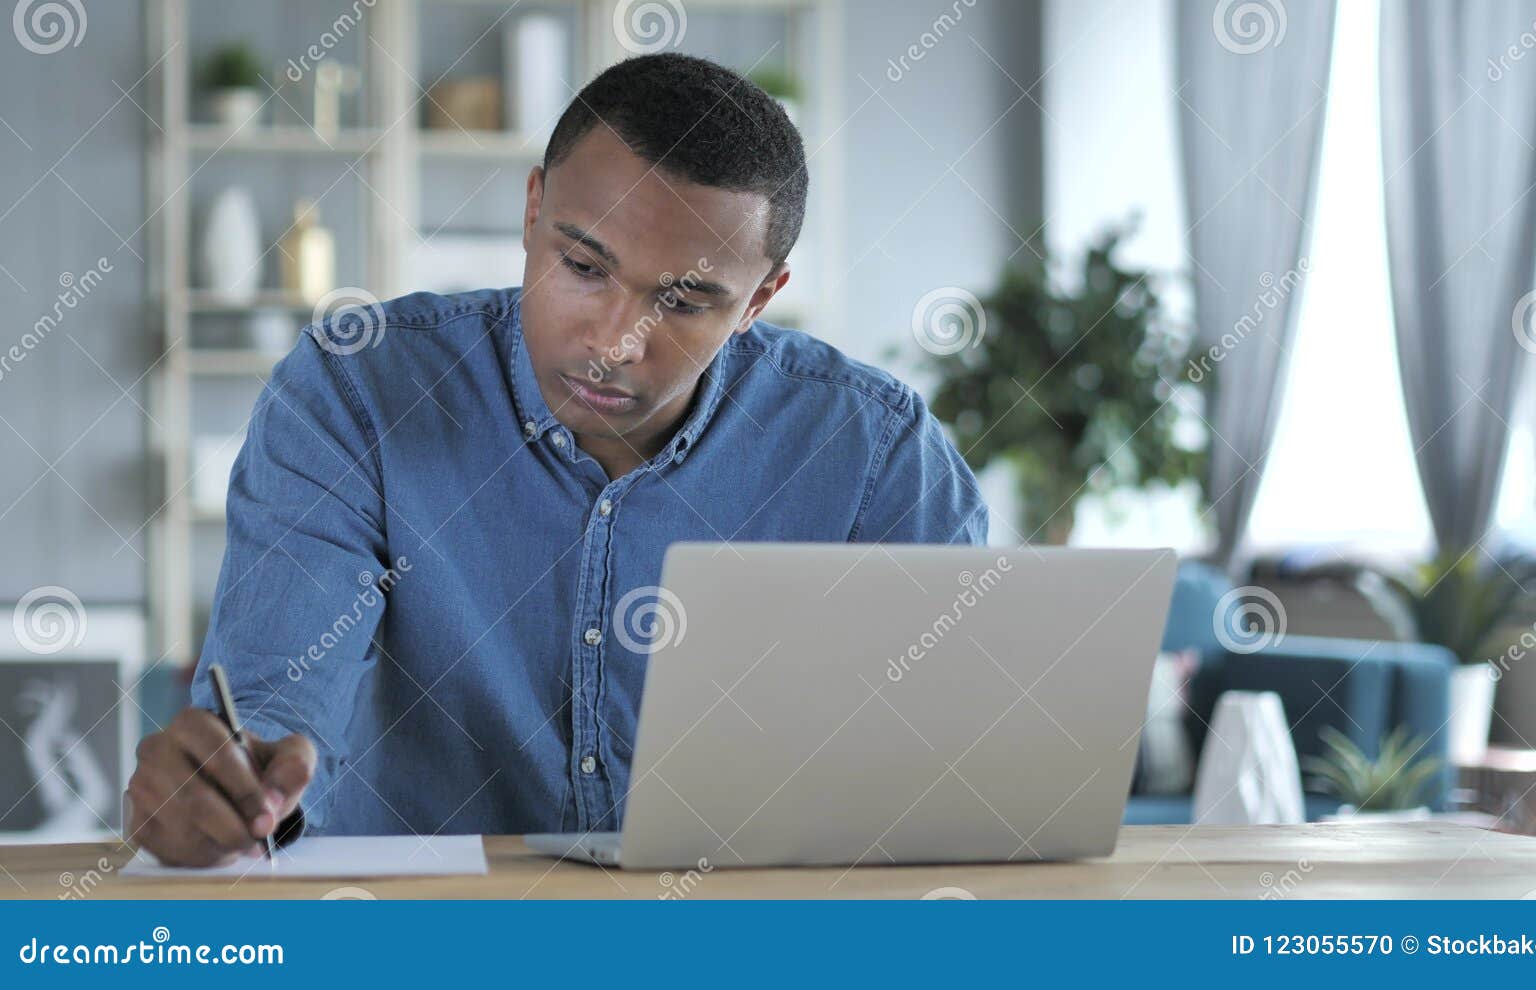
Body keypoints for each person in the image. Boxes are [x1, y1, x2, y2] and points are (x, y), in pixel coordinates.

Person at [128, 52, 988, 866]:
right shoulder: (358, 392)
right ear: (532, 209)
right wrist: (236, 788)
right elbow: (282, 699)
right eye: (583, 266)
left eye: (686, 302)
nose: (615, 343)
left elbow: (958, 756)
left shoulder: (873, 452)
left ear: (760, 299)